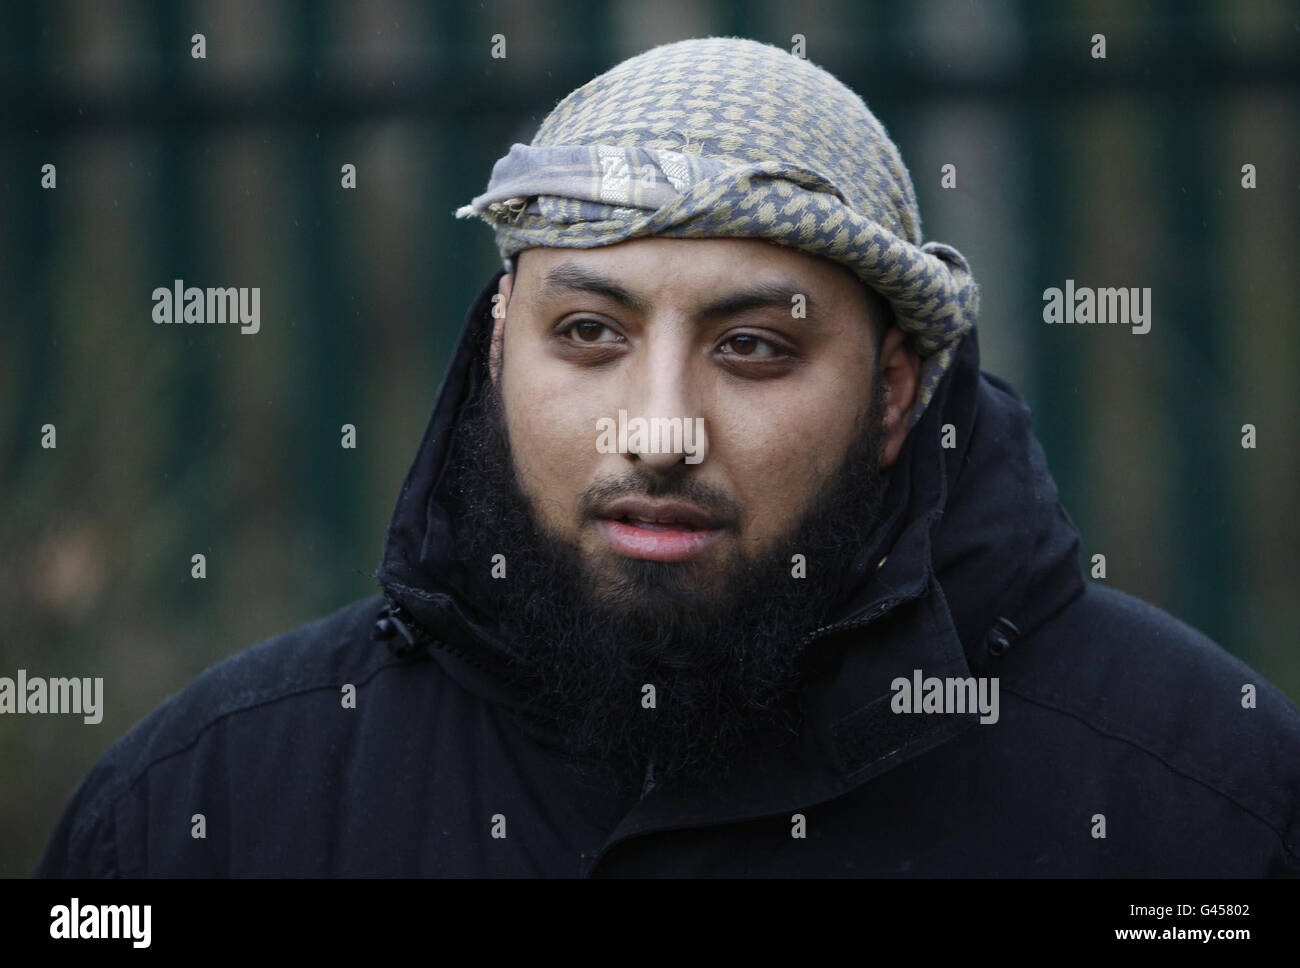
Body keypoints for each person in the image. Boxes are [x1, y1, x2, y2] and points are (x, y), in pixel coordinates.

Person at [37, 36, 1300, 877]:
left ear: (893, 393)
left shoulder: (1197, 803)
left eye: (752, 347)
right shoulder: (208, 807)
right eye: (587, 333)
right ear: (493, 356)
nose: (658, 428)